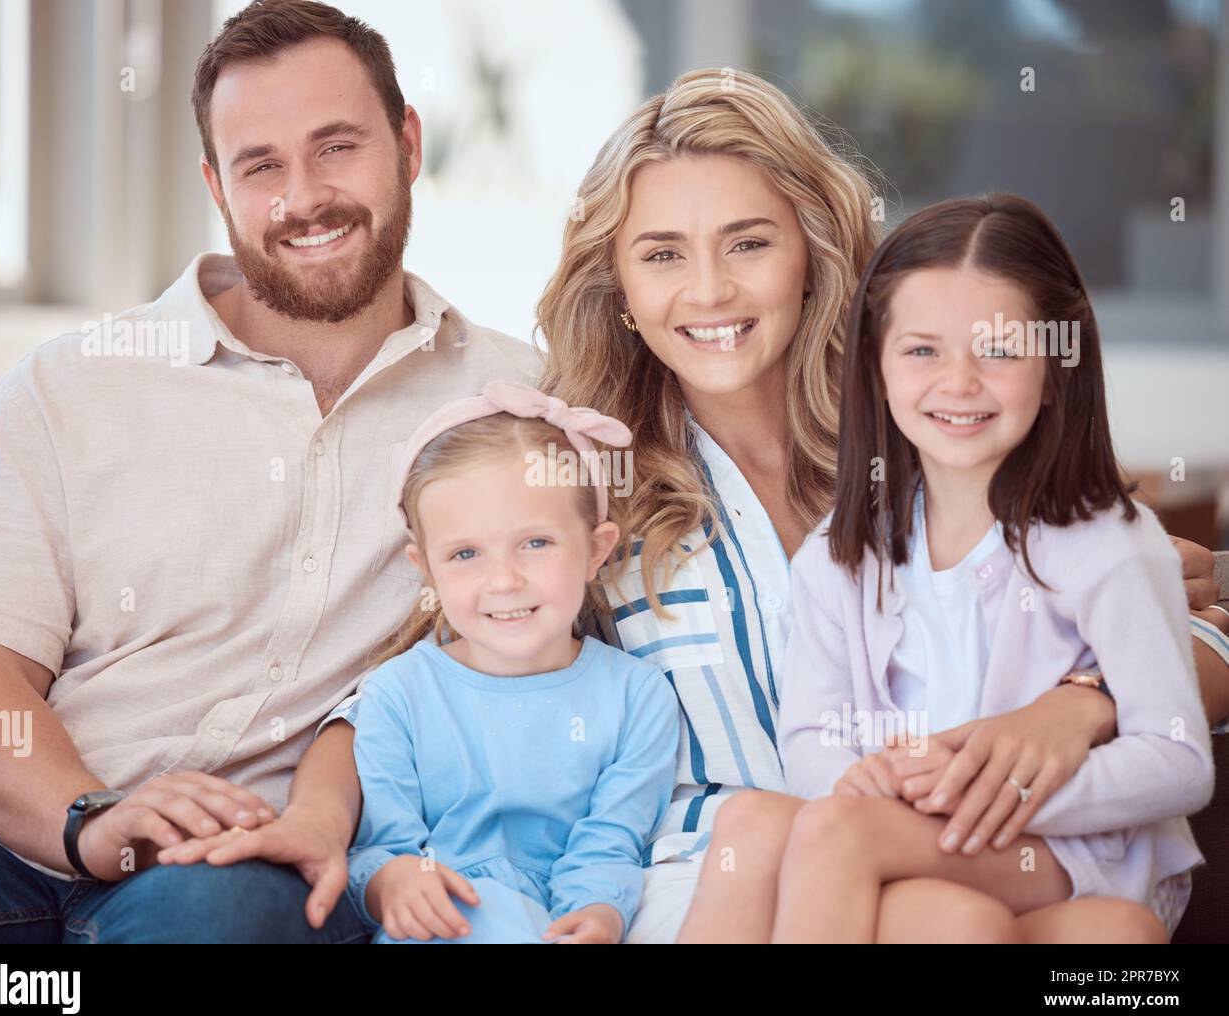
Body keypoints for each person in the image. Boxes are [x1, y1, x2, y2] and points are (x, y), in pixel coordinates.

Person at [534, 67, 1229, 943]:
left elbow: (1190, 614)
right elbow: (470, 683)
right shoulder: (577, 491)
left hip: (965, 854)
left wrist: (1080, 702)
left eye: (748, 243)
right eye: (663, 253)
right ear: (620, 290)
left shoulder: (941, 433)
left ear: (812, 253)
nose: (708, 291)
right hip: (708, 886)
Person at [0, 0, 537, 942]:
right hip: (3, 841)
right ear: (217, 185)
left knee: (208, 919)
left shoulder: (517, 404)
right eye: (262, 166)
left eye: (338, 147)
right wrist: (93, 819)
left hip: (246, 872)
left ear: (407, 143)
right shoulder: (67, 387)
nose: (305, 197)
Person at [685, 193, 1214, 942]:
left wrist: (1000, 791)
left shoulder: (1109, 546)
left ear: (1058, 364)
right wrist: (860, 782)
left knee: (841, 834)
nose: (959, 382)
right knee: (777, 830)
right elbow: (812, 733)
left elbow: (1179, 761)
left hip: (1067, 851)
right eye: (923, 350)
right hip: (914, 847)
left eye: (999, 350)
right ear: (876, 364)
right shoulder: (839, 558)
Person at [332, 380, 676, 943]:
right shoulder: (398, 693)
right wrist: (393, 880)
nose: (503, 581)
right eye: (465, 554)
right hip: (439, 922)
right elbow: (380, 848)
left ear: (595, 548)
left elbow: (612, 841)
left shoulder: (636, 696)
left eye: (536, 543)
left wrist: (600, 910)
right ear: (427, 569)